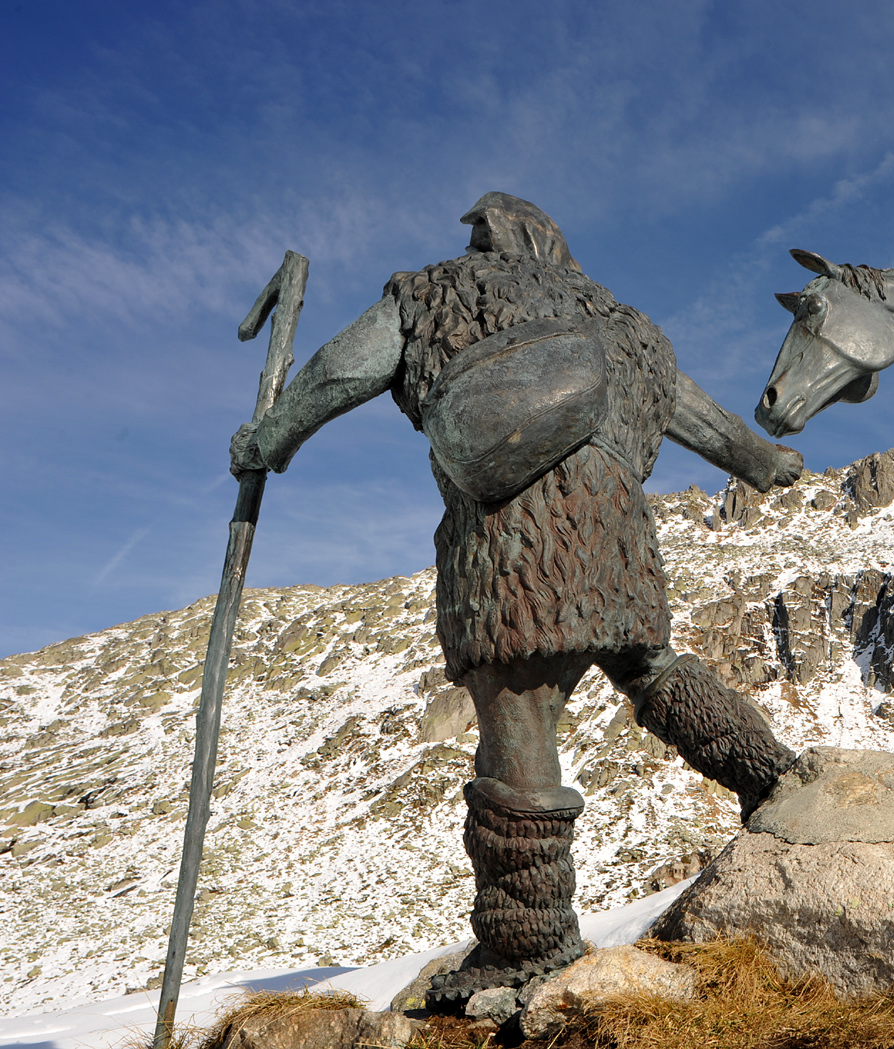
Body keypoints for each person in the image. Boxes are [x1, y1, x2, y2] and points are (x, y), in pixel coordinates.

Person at [230, 193, 803, 1005]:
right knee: (645, 662)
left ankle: (526, 940)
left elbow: (340, 368)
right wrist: (758, 459)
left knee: (518, 706)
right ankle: (770, 775)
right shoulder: (624, 325)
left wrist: (270, 438)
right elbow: (697, 415)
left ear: (485, 242)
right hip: (616, 533)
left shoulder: (436, 294)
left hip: (512, 538)